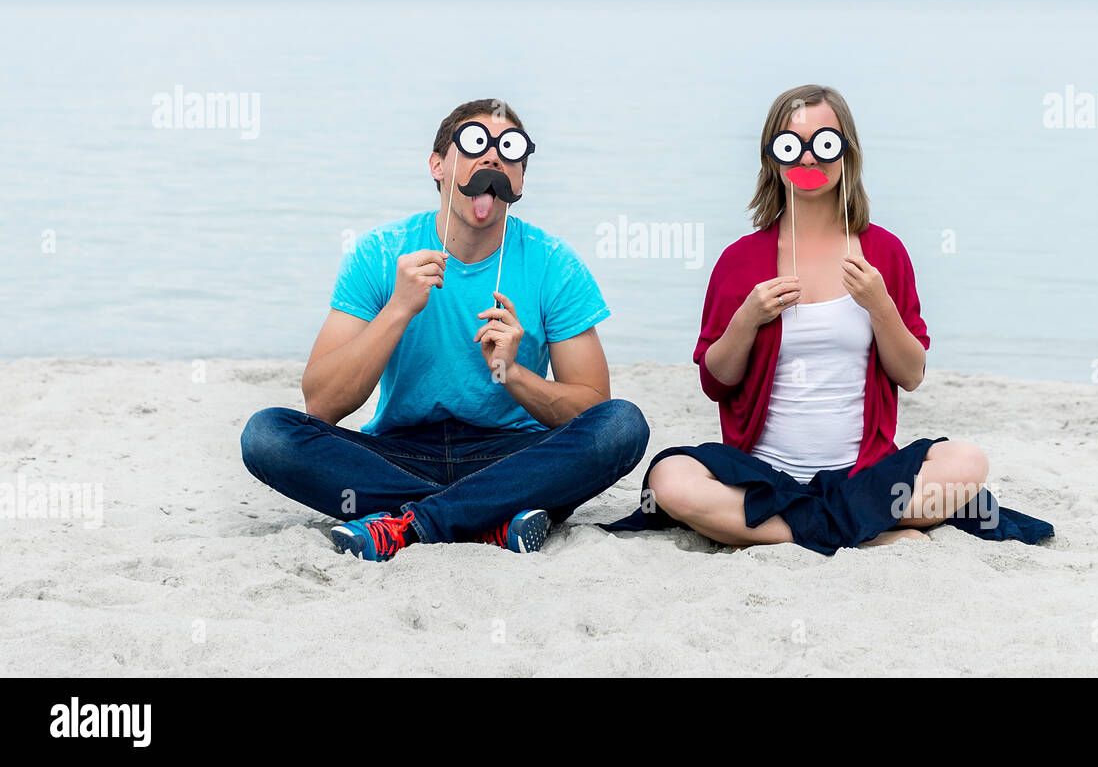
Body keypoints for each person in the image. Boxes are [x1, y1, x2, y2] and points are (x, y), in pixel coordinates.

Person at [602, 84, 1053, 553]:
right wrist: (747, 319)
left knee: (966, 461)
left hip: (863, 475)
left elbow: (912, 374)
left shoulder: (885, 253)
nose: (809, 160)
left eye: (825, 144)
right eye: (791, 146)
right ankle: (860, 529)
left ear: (847, 154)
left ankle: (798, 528)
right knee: (670, 479)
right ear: (772, 159)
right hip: (762, 478)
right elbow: (716, 383)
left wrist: (881, 306)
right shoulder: (740, 260)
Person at [241, 98, 649, 560]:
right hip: (399, 453)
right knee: (266, 434)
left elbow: (593, 408)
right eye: (476, 144)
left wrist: (514, 373)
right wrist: (397, 310)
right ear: (438, 165)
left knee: (624, 424)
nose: (493, 157)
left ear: (520, 179)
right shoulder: (380, 253)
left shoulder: (554, 262)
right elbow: (322, 404)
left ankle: (411, 523)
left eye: (508, 150)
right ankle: (487, 518)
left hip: (513, 455)